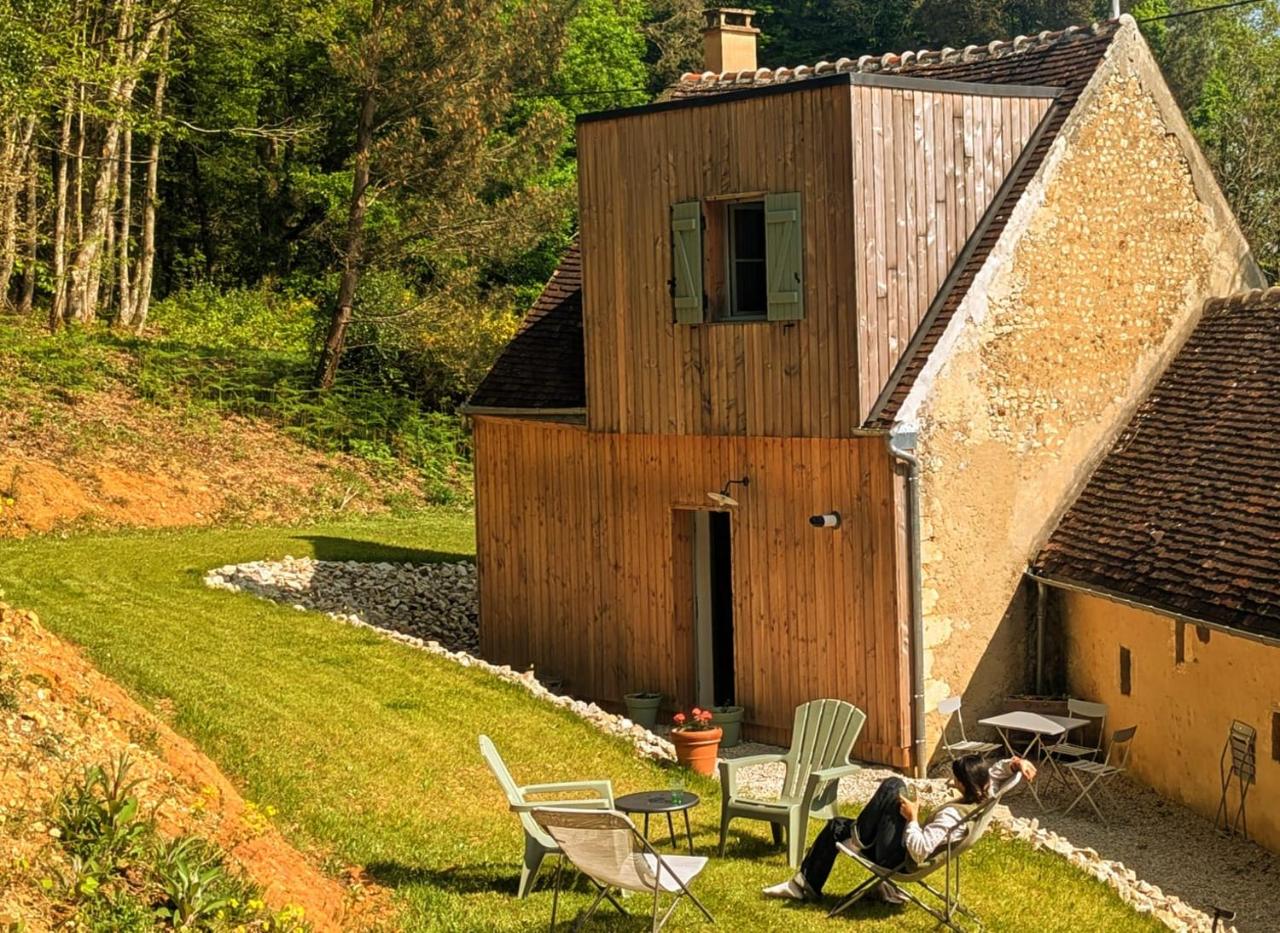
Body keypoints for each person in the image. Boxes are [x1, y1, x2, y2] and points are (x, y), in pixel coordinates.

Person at [762, 754, 1036, 904]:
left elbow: (919, 851)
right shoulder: (984, 797)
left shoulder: (952, 816)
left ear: (966, 783)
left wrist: (913, 817)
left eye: (956, 780)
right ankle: (803, 885)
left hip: (900, 862)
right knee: (837, 827)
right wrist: (1015, 763)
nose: (954, 784)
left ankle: (855, 842)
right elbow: (998, 775)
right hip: (900, 853)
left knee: (893, 785)